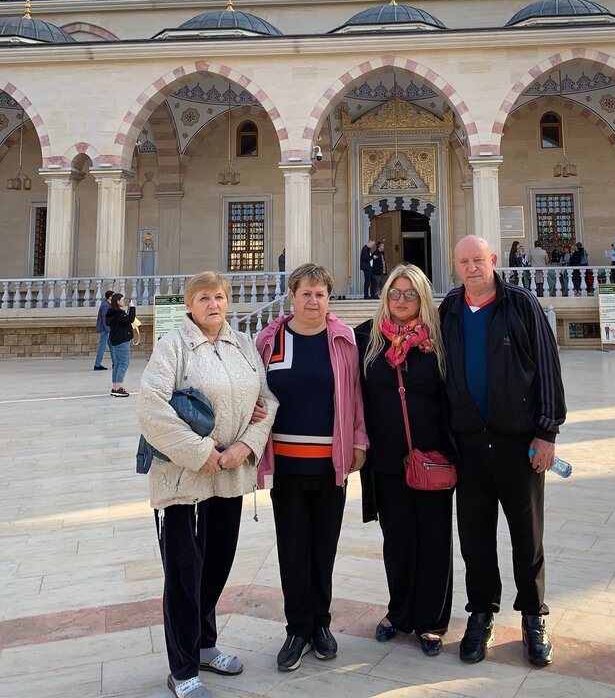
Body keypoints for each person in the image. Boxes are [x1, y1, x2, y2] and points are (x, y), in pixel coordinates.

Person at [137, 271, 277, 698]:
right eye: (204, 298)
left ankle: (204, 644)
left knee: (216, 564)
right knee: (184, 575)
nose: (213, 304)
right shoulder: (173, 346)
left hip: (230, 476)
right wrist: (203, 453)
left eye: (219, 297)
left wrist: (245, 446)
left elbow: (268, 401)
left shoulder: (243, 345)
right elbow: (151, 409)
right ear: (189, 304)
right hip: (184, 481)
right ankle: (182, 669)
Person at [439, 235, 566, 669]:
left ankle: (533, 617)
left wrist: (546, 432)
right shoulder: (450, 309)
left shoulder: (520, 304)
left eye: (478, 259)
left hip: (518, 446)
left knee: (527, 537)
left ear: (492, 260)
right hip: (470, 447)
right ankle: (481, 614)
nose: (472, 268)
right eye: (464, 262)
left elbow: (547, 366)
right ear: (455, 266)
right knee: (475, 538)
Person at [256, 263, 368, 672]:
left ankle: (321, 623)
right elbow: (253, 392)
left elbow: (355, 393)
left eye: (320, 294)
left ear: (328, 298)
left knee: (323, 548)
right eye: (306, 293)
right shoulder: (268, 340)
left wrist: (359, 439)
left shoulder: (343, 340)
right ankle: (297, 629)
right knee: (292, 550)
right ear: (292, 296)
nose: (313, 301)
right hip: (287, 467)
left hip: (329, 465)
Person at [355, 263, 453, 657]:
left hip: (433, 459)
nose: (401, 299)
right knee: (397, 540)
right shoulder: (367, 338)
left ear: (422, 297)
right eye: (394, 292)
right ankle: (400, 613)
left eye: (410, 293)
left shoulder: (440, 339)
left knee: (434, 539)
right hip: (386, 460)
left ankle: (431, 621)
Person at [105, 292, 136, 397]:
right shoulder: (118, 313)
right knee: (123, 363)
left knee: (118, 363)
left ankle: (115, 386)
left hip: (117, 340)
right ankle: (118, 388)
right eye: (122, 300)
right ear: (118, 301)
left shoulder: (113, 312)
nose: (124, 302)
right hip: (122, 340)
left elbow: (125, 321)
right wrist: (132, 308)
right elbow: (130, 319)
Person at [93, 288, 115, 370]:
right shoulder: (105, 305)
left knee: (112, 346)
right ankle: (97, 364)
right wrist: (108, 329)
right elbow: (104, 319)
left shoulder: (108, 304)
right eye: (113, 296)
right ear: (110, 297)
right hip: (105, 330)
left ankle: (115, 363)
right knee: (102, 347)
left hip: (108, 329)